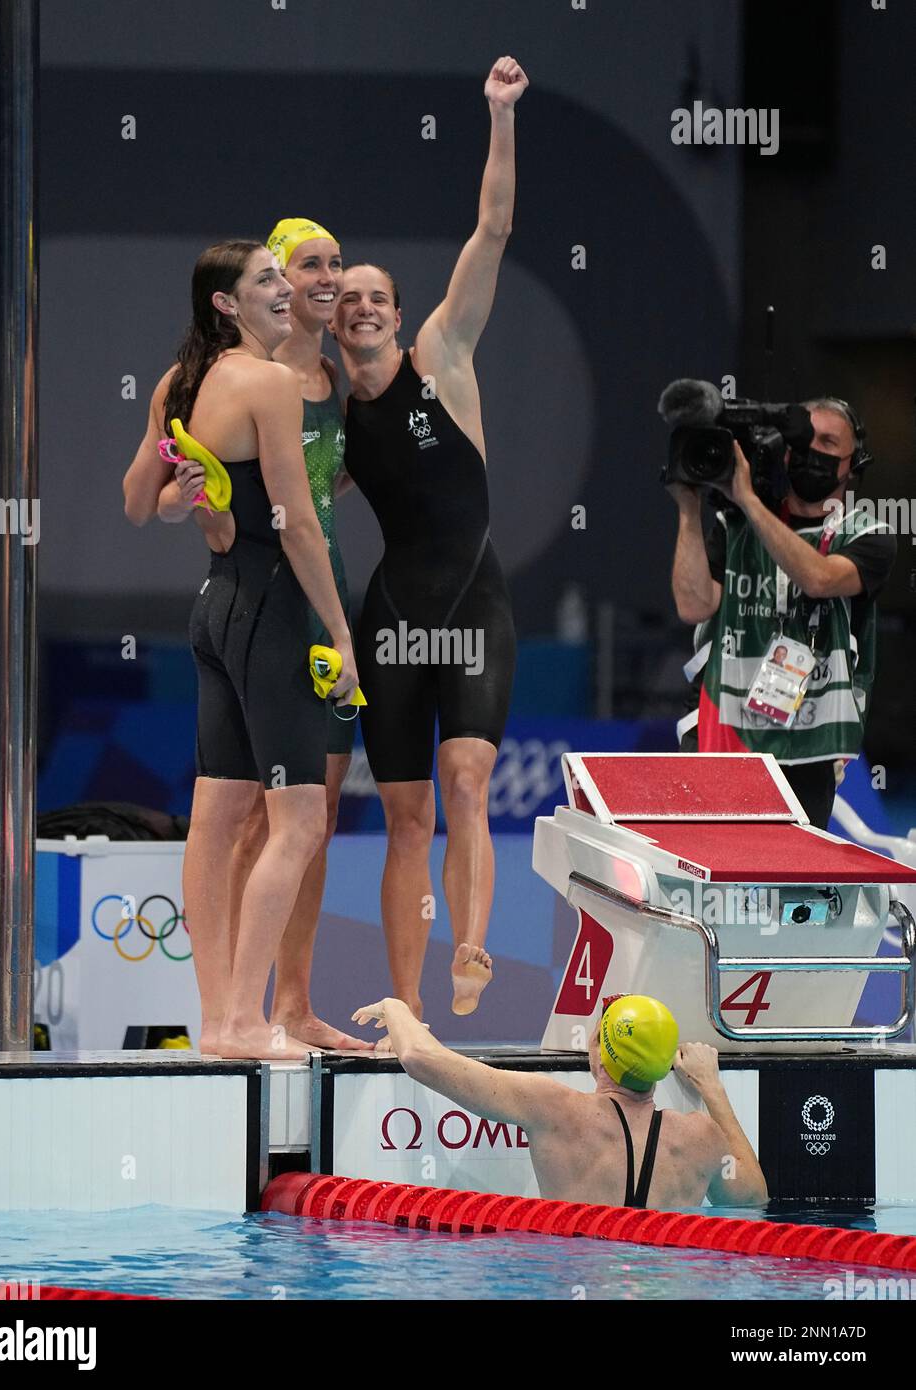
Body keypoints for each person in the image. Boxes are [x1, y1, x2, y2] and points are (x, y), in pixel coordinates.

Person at [123, 240, 358, 1058]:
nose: (285, 289)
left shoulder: (181, 383)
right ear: (228, 303)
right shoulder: (267, 383)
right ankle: (247, 1022)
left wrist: (179, 499)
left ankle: (218, 1020)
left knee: (215, 820)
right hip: (274, 611)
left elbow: (136, 503)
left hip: (214, 608)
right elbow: (296, 522)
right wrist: (339, 631)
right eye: (266, 279)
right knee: (297, 825)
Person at [330, 56, 527, 1021]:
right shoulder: (322, 413)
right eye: (346, 298)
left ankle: (475, 950)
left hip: (473, 605)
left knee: (468, 779)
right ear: (330, 322)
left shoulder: (441, 355)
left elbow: (492, 227)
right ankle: (402, 1003)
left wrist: (498, 116)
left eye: (378, 296)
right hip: (391, 616)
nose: (362, 304)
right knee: (403, 816)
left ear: (400, 315)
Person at [670, 398, 896, 828]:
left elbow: (820, 579)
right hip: (721, 726)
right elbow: (693, 605)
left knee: (792, 884)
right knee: (711, 880)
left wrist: (749, 500)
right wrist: (687, 507)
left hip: (811, 741)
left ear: (853, 462)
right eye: (804, 440)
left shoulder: (869, 535)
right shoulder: (733, 526)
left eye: (828, 442)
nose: (813, 451)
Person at [351, 992, 768, 1209]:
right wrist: (712, 1089)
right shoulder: (700, 1136)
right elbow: (752, 1198)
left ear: (598, 1051)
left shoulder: (555, 1109)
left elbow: (419, 1057)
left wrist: (397, 1008)